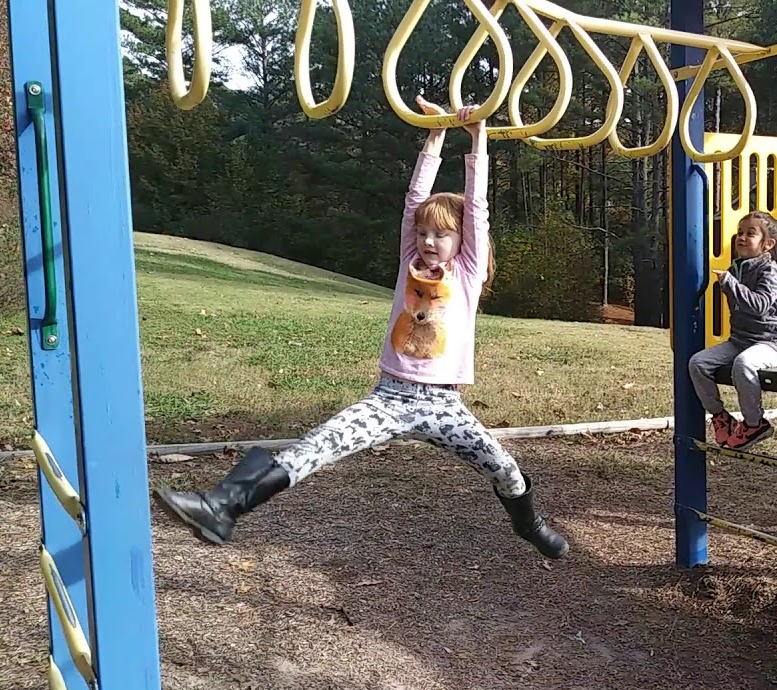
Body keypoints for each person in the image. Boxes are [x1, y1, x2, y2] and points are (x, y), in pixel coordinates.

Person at [151, 98, 569, 560]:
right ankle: (221, 507)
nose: (429, 242)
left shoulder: (465, 274)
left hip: (444, 404)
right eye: (424, 233)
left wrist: (476, 136)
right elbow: (414, 202)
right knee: (317, 446)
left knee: (505, 469)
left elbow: (477, 206)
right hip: (390, 398)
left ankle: (529, 524)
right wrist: (434, 133)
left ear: (462, 242)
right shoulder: (408, 265)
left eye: (441, 235)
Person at [688, 210, 777, 450]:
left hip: (771, 343)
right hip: (740, 340)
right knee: (698, 363)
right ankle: (720, 416)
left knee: (743, 364)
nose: (742, 238)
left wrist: (730, 284)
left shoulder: (770, 272)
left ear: (768, 244)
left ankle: (755, 423)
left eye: (750, 234)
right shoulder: (738, 268)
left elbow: (759, 306)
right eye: (740, 233)